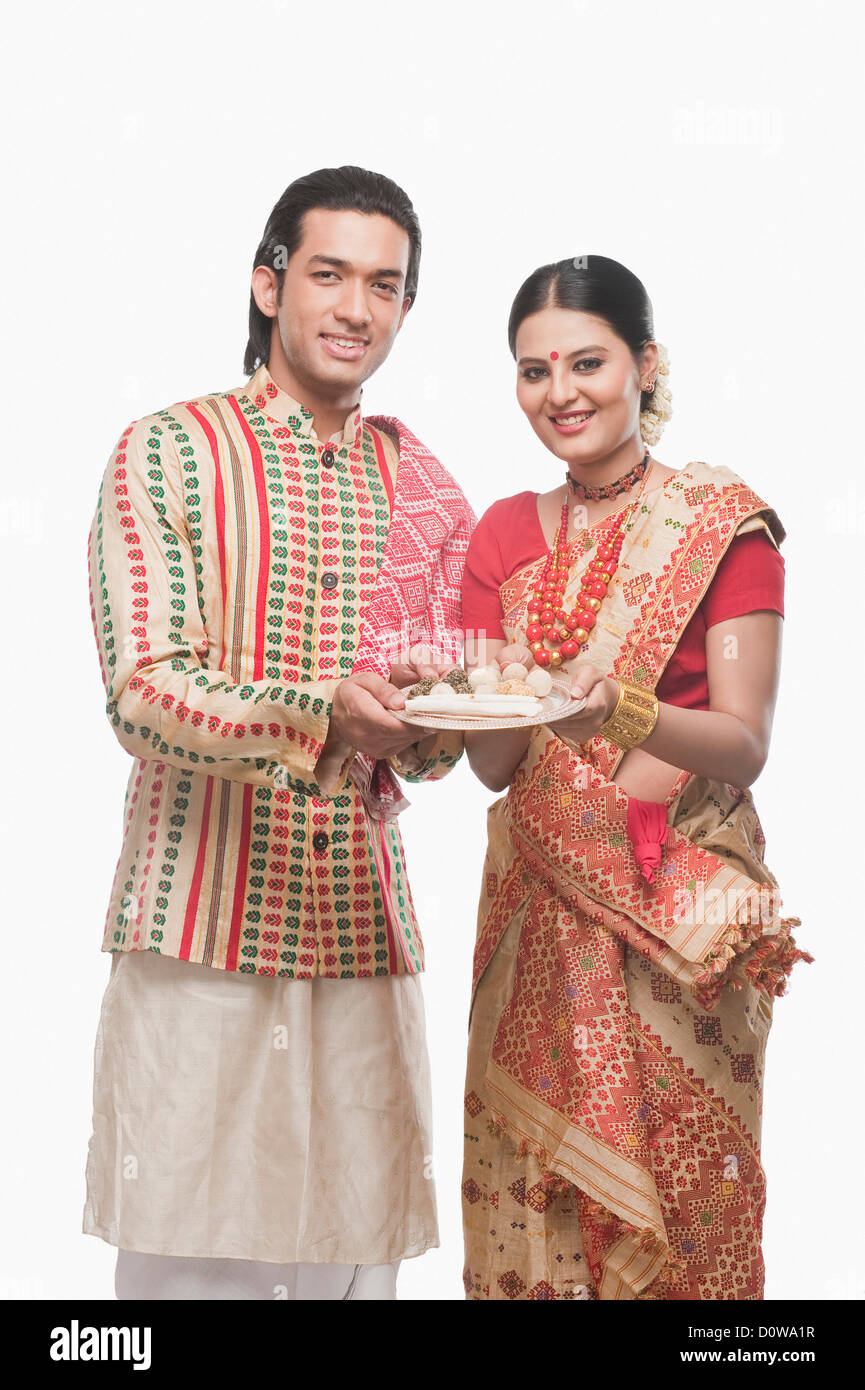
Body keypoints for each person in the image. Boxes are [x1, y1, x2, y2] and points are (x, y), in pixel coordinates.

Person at [83, 165, 475, 1301]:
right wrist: (320, 711)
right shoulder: (167, 451)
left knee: (352, 1275)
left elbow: (443, 742)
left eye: (386, 286)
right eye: (329, 275)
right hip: (201, 930)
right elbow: (144, 693)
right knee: (186, 1277)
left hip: (359, 931)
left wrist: (423, 715)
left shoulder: (424, 487)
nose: (357, 309)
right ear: (268, 284)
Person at [458, 254, 811, 1301]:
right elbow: (490, 763)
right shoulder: (502, 536)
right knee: (533, 1198)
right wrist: (486, 694)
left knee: (688, 1211)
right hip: (536, 914)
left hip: (678, 920)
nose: (558, 392)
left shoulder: (721, 526)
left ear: (643, 364)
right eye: (532, 371)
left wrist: (610, 705)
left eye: (585, 361)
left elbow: (744, 740)